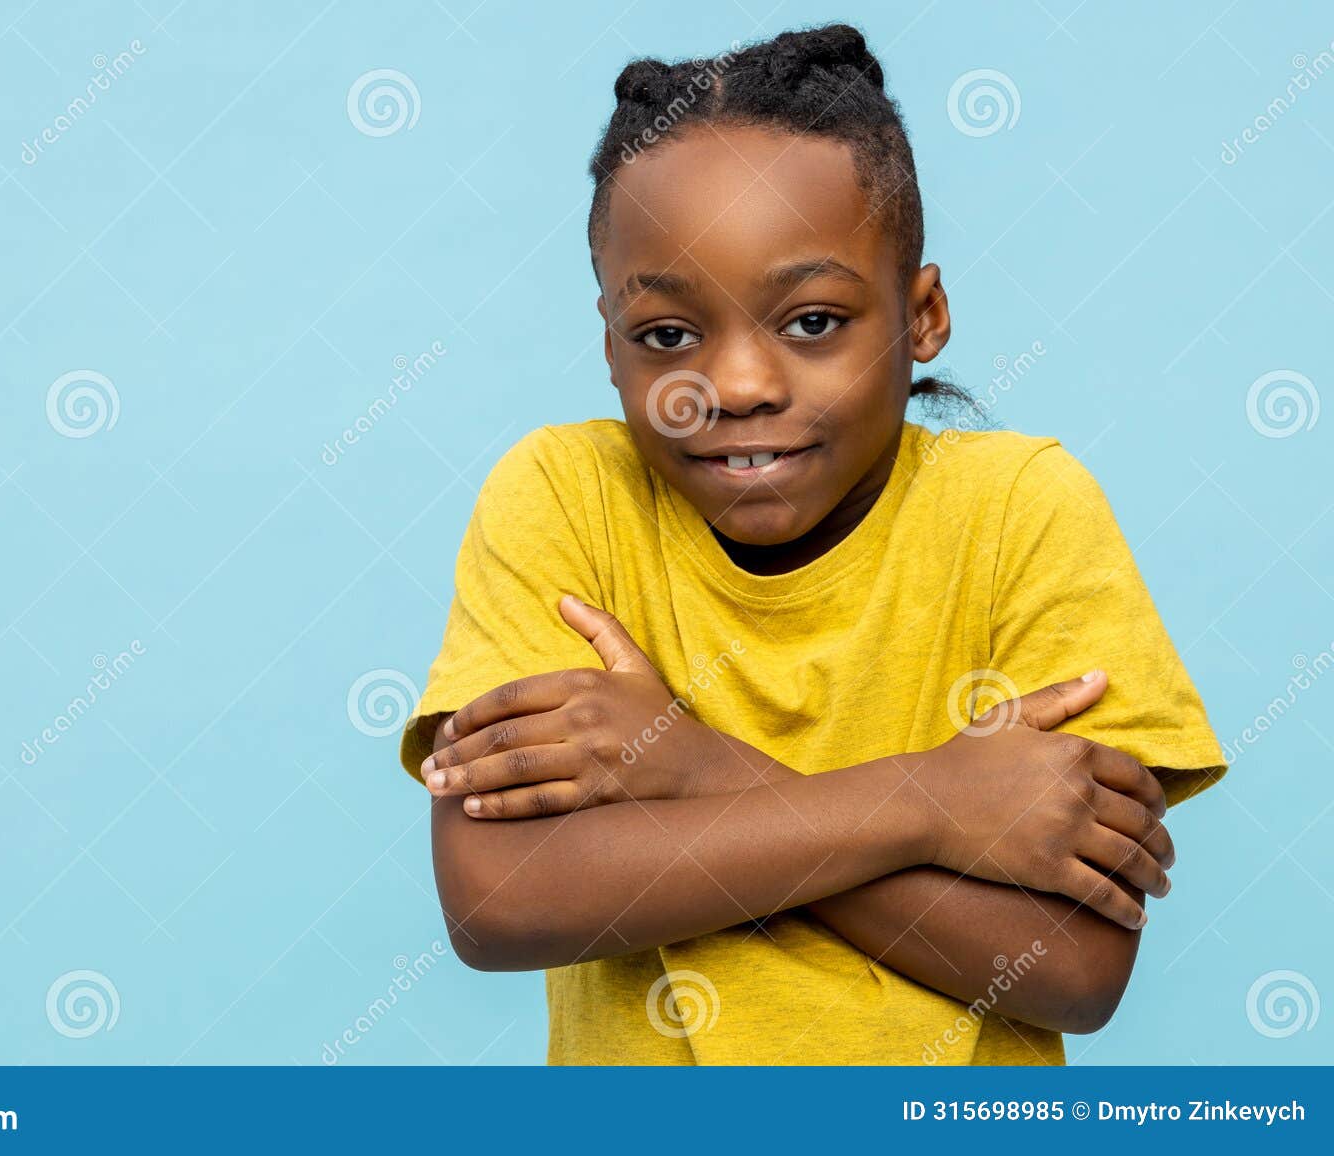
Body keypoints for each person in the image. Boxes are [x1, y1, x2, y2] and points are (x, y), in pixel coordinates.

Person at [396, 23, 1225, 1065]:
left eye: (814, 321)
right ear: (610, 344)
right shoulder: (566, 498)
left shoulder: (1021, 510)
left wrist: (692, 768)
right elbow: (501, 900)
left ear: (921, 314)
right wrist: (933, 805)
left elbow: (1073, 969)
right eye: (666, 336)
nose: (738, 386)